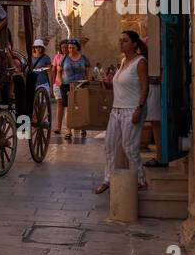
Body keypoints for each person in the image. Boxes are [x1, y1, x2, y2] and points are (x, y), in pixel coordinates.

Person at [96, 30, 149, 194]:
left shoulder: (140, 62)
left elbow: (145, 87)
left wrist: (139, 109)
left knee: (129, 147)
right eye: (120, 40)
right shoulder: (124, 60)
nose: (121, 43)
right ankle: (108, 179)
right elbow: (121, 85)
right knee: (110, 145)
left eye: (125, 41)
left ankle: (141, 180)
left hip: (132, 109)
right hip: (116, 109)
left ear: (134, 44)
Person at [61, 38, 91, 142]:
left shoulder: (83, 58)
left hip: (81, 84)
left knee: (81, 107)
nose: (70, 49)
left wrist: (88, 81)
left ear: (77, 48)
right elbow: (59, 70)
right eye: (69, 47)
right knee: (68, 108)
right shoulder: (64, 58)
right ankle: (68, 130)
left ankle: (82, 127)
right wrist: (59, 81)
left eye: (73, 47)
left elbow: (87, 70)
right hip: (66, 85)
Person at [52, 39, 69, 135]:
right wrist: (54, 83)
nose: (64, 49)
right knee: (59, 105)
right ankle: (58, 126)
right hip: (59, 84)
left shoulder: (71, 57)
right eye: (62, 47)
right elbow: (53, 70)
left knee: (68, 106)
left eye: (66, 47)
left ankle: (69, 127)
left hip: (69, 83)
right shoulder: (57, 57)